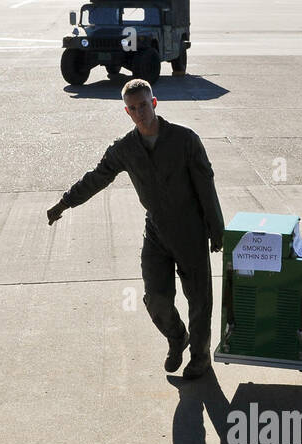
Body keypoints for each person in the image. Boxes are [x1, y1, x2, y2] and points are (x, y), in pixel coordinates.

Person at [47, 79, 224, 379]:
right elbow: (96, 178)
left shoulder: (185, 140)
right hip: (156, 232)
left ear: (154, 103)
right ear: (127, 113)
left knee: (199, 299)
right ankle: (177, 336)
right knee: (156, 297)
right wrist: (65, 203)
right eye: (133, 108)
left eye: (143, 105)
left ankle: (200, 357)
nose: (139, 112)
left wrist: (216, 231)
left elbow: (206, 185)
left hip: (190, 231)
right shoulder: (125, 149)